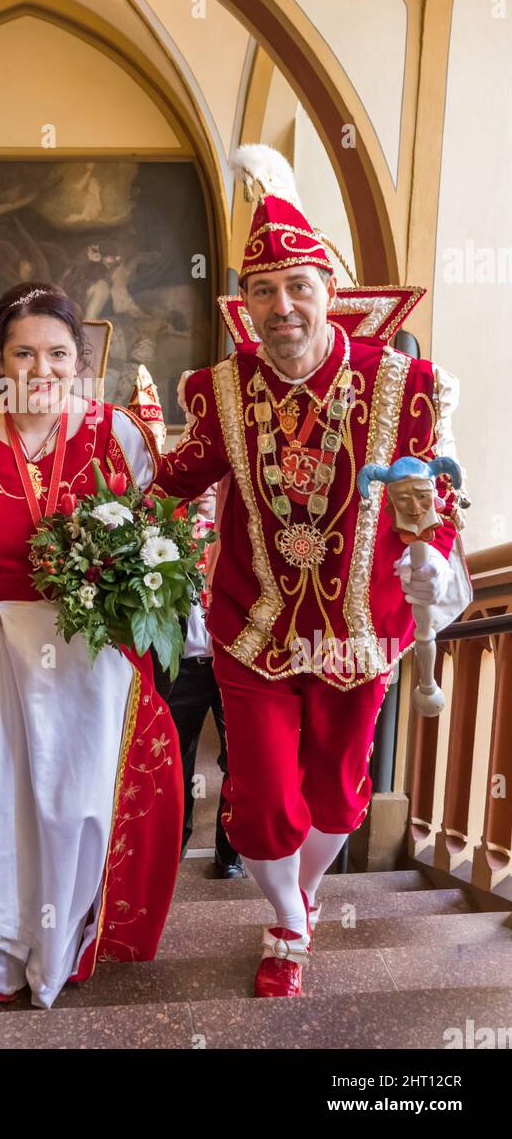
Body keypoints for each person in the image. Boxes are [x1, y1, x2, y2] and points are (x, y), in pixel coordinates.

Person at [155, 145, 472, 998]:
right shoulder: (218, 389)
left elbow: (430, 504)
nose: (282, 306)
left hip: (361, 630)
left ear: (330, 294)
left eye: (298, 286)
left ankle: (297, 897)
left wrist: (437, 565)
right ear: (245, 306)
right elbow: (170, 478)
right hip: (250, 627)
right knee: (259, 799)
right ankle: (288, 925)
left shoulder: (401, 384)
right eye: (263, 290)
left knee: (336, 796)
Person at [0, 282, 184, 1008]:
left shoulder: (117, 434)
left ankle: (66, 946)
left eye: (57, 353)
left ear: (80, 360)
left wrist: (131, 596)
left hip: (88, 659)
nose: (40, 368)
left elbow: (158, 539)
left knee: (76, 806)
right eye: (23, 352)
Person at [158, 485, 243, 876]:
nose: (207, 487)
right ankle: (171, 851)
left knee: (240, 759)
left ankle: (230, 854)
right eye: (201, 479)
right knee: (175, 761)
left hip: (232, 663)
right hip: (183, 664)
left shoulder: (240, 532)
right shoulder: (162, 533)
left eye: (216, 479)